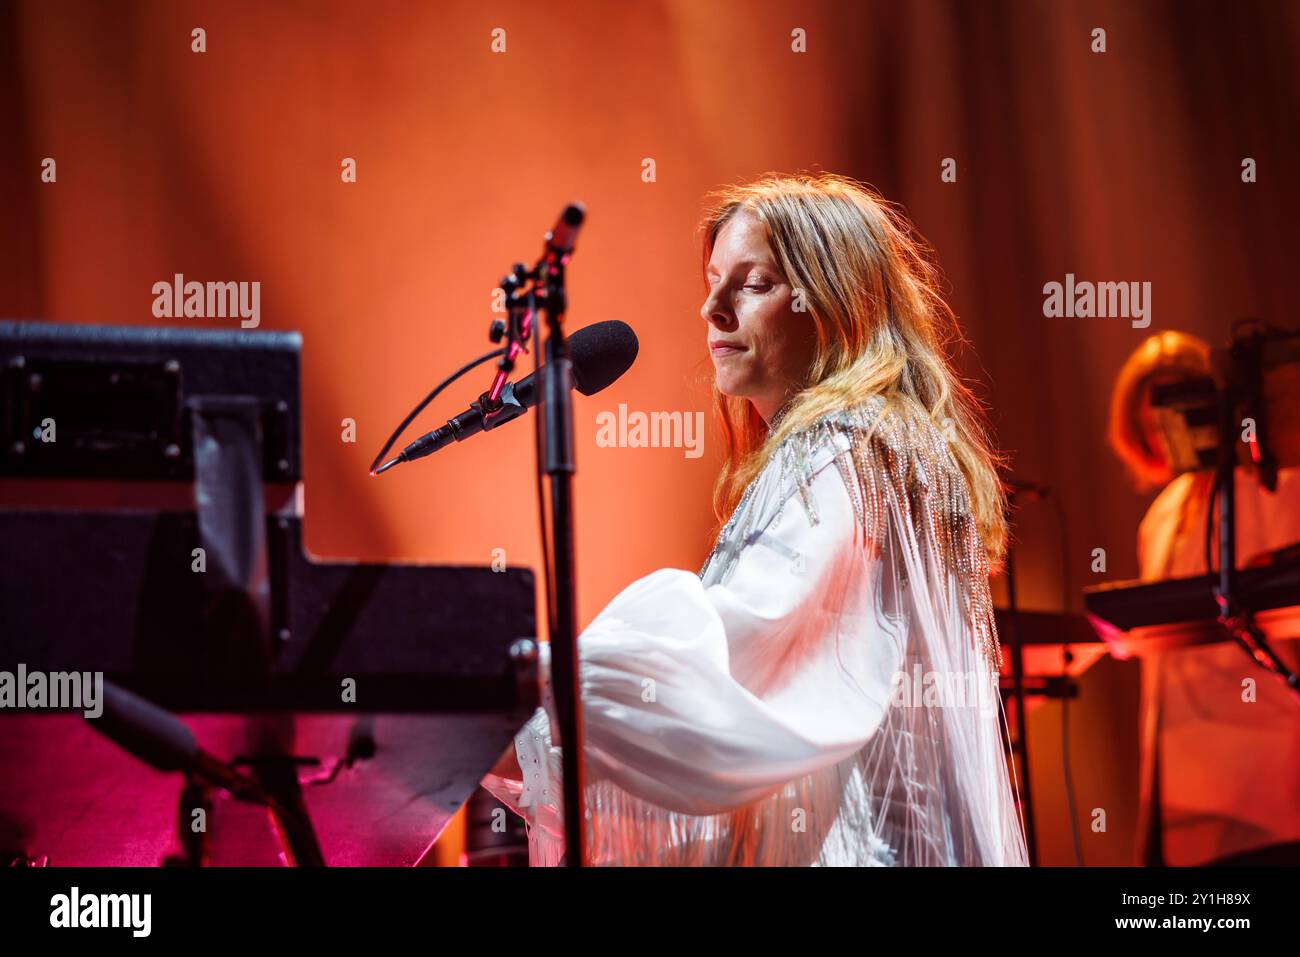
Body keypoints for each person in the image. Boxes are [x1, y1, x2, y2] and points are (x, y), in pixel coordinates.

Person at [480, 172, 1029, 866]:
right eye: (713, 279)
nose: (711, 307)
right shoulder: (885, 439)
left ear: (834, 302)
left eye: (755, 282)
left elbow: (734, 654)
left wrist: (518, 693)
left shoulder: (847, 445)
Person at [1109, 330, 1300, 865]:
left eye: (1182, 410)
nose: (1168, 431)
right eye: (1152, 422)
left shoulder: (1270, 485)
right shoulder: (1159, 517)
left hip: (1261, 769)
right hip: (1178, 783)